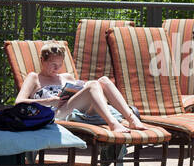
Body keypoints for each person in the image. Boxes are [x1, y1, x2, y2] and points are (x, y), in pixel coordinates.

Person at [15, 42, 144, 135]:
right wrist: (48, 101)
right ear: (42, 60)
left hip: (79, 110)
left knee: (103, 80)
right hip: (56, 113)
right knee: (93, 85)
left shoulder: (65, 77)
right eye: (53, 64)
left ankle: (132, 119)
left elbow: (92, 89)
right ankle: (113, 124)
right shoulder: (34, 78)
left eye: (59, 65)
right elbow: (18, 102)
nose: (57, 69)